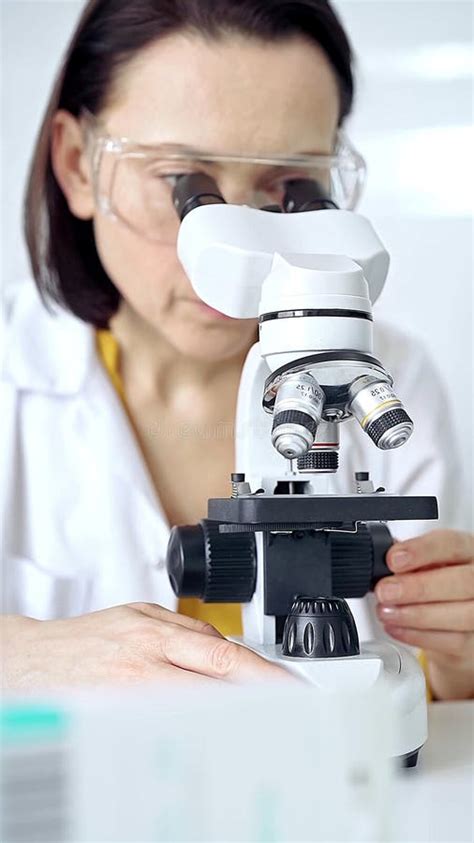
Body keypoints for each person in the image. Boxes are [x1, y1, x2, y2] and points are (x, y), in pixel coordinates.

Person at [1, 0, 472, 698]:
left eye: (288, 189)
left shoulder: (389, 373)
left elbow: (434, 701)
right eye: (184, 187)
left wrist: (460, 659)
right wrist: (24, 652)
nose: (238, 247)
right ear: (78, 167)